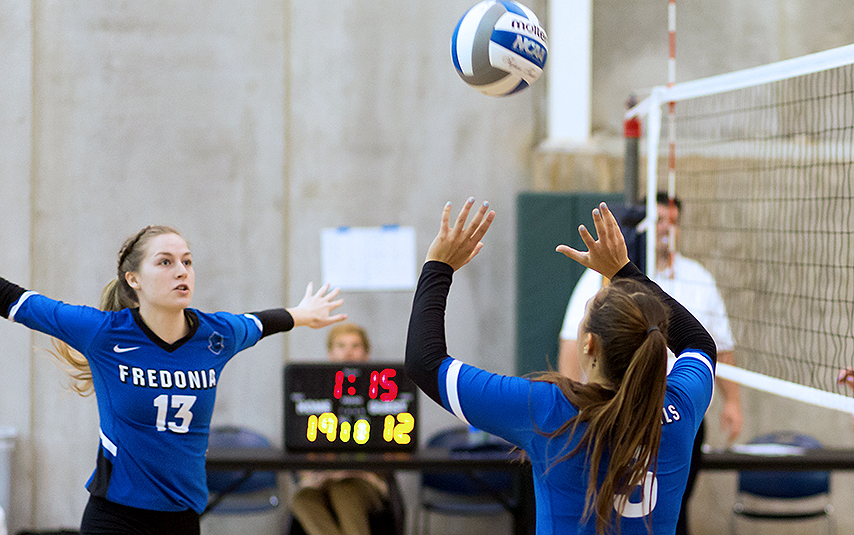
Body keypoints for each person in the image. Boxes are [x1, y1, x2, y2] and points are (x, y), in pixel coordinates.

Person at [0, 196, 347, 535]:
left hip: (183, 519)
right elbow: (8, 297)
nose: (182, 271)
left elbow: (263, 322)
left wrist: (303, 315)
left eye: (187, 261)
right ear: (134, 279)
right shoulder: (103, 333)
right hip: (116, 518)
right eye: (166, 262)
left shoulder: (217, 334)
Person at [405, 198, 716, 535]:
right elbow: (699, 343)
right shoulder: (680, 408)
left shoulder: (550, 409)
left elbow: (426, 363)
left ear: (588, 344)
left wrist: (438, 266)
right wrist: (624, 271)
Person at [557, 193, 741, 535]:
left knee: (673, 506)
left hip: (674, 411)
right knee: (600, 505)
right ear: (644, 226)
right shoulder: (601, 278)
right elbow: (572, 339)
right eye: (659, 220)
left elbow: (720, 345)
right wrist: (570, 400)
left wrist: (732, 401)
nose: (667, 228)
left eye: (673, 220)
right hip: (608, 412)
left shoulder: (698, 277)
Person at [289, 323, 395, 535]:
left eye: (355, 345)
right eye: (341, 345)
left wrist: (359, 472)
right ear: (330, 352)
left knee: (344, 490)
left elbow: (394, 444)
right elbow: (299, 442)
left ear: (366, 353)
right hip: (322, 478)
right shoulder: (312, 393)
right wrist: (310, 475)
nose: (348, 351)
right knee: (302, 498)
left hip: (365, 480)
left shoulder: (383, 392)